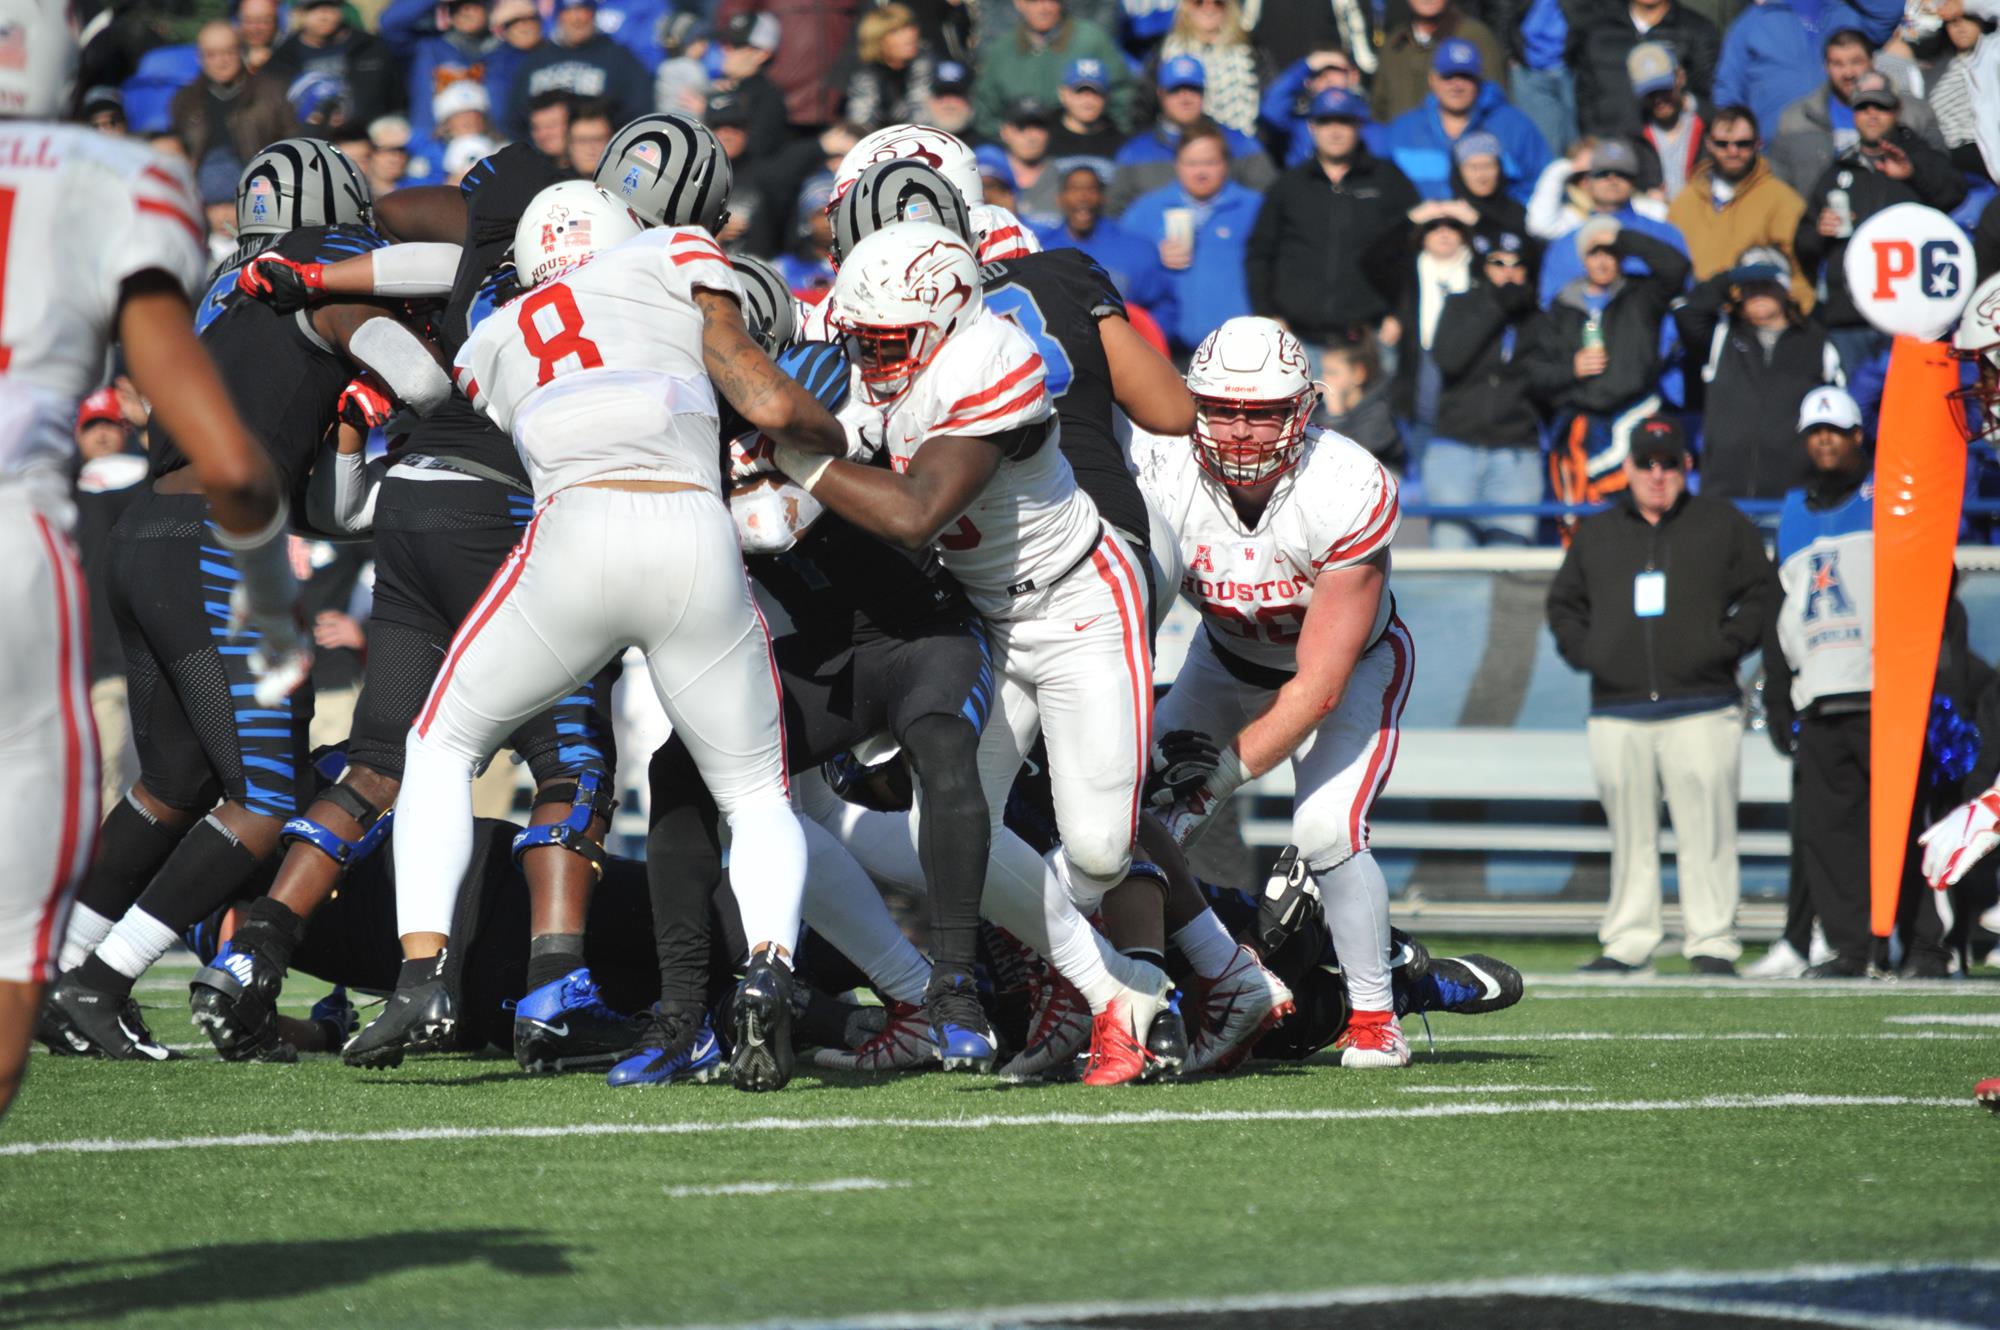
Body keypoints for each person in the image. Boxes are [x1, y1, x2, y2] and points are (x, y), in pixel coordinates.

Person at [346, 179, 847, 1091]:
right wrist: (826, 434)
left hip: (571, 541)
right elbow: (752, 382)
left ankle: (423, 975)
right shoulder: (673, 251)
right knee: (754, 795)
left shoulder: (495, 337)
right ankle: (768, 972)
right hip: (691, 534)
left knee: (440, 744)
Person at [196, 141, 634, 1071]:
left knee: (381, 760)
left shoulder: (477, 264)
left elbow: (338, 508)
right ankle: (557, 993)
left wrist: (322, 289)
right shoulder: (621, 264)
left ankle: (255, 952)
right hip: (504, 501)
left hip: (414, 494)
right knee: (571, 753)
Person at [46, 140, 451, 1066]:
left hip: (144, 536)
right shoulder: (318, 285)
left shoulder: (223, 298)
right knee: (265, 795)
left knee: (170, 785)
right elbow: (422, 378)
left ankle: (62, 975)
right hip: (215, 546)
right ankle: (99, 982)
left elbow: (319, 501)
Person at [764, 220, 1177, 1085]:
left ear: (949, 318)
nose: (870, 358)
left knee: (1100, 850)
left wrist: (794, 463)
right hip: (987, 616)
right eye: (860, 339)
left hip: (1078, 605)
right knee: (949, 837)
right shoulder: (895, 344)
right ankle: (1111, 986)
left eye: (888, 342)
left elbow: (916, 510)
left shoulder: (993, 358)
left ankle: (1108, 980)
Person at [0, 3, 305, 1118]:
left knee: (164, 781)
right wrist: (272, 609)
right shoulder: (110, 175)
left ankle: (82, 976)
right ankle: (88, 977)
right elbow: (226, 458)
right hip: (23, 540)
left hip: (96, 540)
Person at [1137, 316, 1416, 1068]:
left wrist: (1220, 776)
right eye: (1223, 408)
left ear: (1303, 409)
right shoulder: (1159, 469)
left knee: (1327, 827)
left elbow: (1319, 688)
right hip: (1222, 658)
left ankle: (1375, 1015)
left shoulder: (1345, 483)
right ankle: (1140, 1000)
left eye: (1261, 412)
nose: (1240, 431)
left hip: (1352, 668)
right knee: (1130, 826)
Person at [1546, 417, 1771, 978]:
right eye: (1645, 462)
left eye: (1668, 462)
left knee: (1709, 831)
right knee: (1630, 835)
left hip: (1703, 704)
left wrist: (1726, 647)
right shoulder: (1598, 533)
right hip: (1618, 708)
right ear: (1626, 468)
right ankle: (1628, 941)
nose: (1656, 474)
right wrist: (1593, 653)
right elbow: (1563, 605)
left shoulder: (1721, 523)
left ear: (1685, 467)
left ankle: (1713, 940)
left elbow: (1765, 592)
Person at [1760, 387, 1880, 978]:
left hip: (1883, 690)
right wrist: (1778, 692)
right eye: (1815, 431)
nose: (1825, 439)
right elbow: (1780, 609)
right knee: (1828, 839)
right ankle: (1852, 947)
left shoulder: (1887, 496)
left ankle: (1919, 944)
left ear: (1859, 435)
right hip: (1822, 694)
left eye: (1836, 429)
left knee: (1897, 827)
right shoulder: (1792, 510)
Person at [1791, 70, 1967, 393]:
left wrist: (1914, 173)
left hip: (1910, 320)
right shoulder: (1838, 170)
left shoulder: (1918, 155)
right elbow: (1802, 245)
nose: (1871, 115)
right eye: (1863, 107)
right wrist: (1820, 231)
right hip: (1850, 318)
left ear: (1896, 110)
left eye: (1880, 107)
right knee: (1858, 414)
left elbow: (1954, 194)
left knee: (1910, 405)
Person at [1247, 90, 1419, 367]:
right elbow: (1260, 253)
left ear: (1359, 126)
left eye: (1344, 121)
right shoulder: (1290, 185)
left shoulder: (1389, 182)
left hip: (1370, 340)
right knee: (1302, 413)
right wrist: (1268, 315)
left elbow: (1411, 253)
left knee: (1373, 412)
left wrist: (1400, 316)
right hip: (1297, 341)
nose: (1335, 131)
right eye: (1326, 121)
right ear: (1312, 127)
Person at [1532, 216, 1692, 498]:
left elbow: (1677, 267)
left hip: (1634, 416)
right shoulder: (1562, 307)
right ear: (1583, 259)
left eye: (1611, 253)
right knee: (1582, 516)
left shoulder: (1642, 294)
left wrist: (1623, 238)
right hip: (1580, 424)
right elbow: (1535, 373)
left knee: (1636, 510)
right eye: (1595, 253)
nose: (1603, 262)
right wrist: (1572, 369)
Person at [1672, 246, 1842, 500]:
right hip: (1725, 493)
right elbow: (1686, 311)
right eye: (1749, 286)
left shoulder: (1817, 344)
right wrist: (1730, 276)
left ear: (1785, 289)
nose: (1758, 293)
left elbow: (1839, 415)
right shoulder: (1722, 336)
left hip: (1794, 493)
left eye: (1767, 283)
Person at [1423, 228, 1551, 545]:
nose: (1507, 272)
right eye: (1498, 262)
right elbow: (1449, 358)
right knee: (1451, 557)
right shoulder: (1460, 305)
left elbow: (1548, 382)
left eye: (1517, 264)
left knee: (1509, 565)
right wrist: (1496, 307)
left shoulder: (1540, 320)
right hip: (1455, 448)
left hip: (1516, 453)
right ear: (1484, 267)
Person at [71, 390, 149, 821]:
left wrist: (146, 425)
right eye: (90, 426)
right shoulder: (66, 493)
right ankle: (105, 883)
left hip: (153, 658)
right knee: (103, 774)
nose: (100, 435)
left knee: (166, 782)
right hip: (94, 667)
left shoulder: (148, 481)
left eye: (108, 424)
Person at [1121, 123, 1265, 354]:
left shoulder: (1253, 207)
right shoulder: (1145, 210)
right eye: (1191, 163)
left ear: (1226, 163)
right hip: (1166, 348)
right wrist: (1152, 257)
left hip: (1238, 349)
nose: (1200, 172)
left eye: (1210, 162)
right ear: (1177, 164)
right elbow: (1122, 271)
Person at [1666, 106, 1813, 311]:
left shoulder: (1783, 200)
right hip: (1696, 316)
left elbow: (1799, 273)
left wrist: (1796, 315)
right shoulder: (1684, 201)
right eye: (1722, 144)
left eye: (1743, 144)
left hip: (1752, 316)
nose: (1732, 151)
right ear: (1708, 143)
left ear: (1757, 144)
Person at [1767, 29, 1946, 195]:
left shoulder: (1915, 114)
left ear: (1873, 62)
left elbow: (1942, 174)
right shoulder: (1796, 119)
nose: (1848, 73)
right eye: (1837, 64)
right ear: (1825, 67)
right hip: (1823, 221)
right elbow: (1780, 189)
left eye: (1856, 62)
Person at [1383, 37, 1550, 204]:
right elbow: (1385, 191)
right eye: (1448, 76)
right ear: (1432, 79)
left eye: (1465, 77)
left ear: (1479, 81)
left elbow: (1542, 187)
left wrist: (1499, 216)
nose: (1457, 86)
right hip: (1420, 227)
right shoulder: (1404, 130)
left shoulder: (1513, 126)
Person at [1107, 56, 1273, 215]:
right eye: (1176, 90)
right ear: (1161, 94)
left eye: (1193, 90)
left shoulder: (1238, 143)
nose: (1185, 98)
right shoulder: (1136, 151)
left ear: (1204, 93)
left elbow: (1267, 197)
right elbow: (1115, 212)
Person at [1537, 138, 1691, 304]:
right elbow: (1551, 305)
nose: (1612, 179)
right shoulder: (1566, 244)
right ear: (1587, 182)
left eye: (1622, 173)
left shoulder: (1666, 234)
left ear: (1633, 181)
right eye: (1603, 173)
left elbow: (1683, 293)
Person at [973, 0, 1133, 137]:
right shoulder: (1001, 50)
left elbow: (1123, 95)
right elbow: (985, 107)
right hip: (1021, 148)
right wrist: (1007, 136)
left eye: (1052, 0)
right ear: (1019, 3)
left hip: (1081, 142)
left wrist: (1105, 133)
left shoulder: (1092, 40)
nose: (1044, 8)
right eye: (1034, 1)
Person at [1030, 164, 1172, 314]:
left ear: (1103, 198)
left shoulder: (1138, 249)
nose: (1083, 196)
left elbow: (1162, 306)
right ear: (1059, 198)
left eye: (1091, 189)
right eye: (1074, 189)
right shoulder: (1041, 249)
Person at [1568, 0, 1719, 138]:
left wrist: (1685, 102)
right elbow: (1585, 95)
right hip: (1611, 147)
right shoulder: (1596, 30)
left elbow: (1710, 98)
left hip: (1670, 146)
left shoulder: (1697, 30)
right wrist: (1592, 139)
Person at [503, 0, 650, 139]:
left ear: (593, 13)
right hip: (542, 157)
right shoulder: (536, 61)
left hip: (598, 152)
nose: (576, 19)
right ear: (558, 16)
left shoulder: (619, 59)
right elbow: (515, 117)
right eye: (568, 11)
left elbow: (637, 112)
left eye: (582, 10)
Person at [169, 20, 299, 172]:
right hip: (200, 185)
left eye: (228, 52)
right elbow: (177, 144)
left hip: (259, 181)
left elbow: (294, 141)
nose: (221, 61)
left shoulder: (273, 92)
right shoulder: (185, 99)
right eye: (211, 54)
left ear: (241, 51)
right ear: (200, 57)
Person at [714, 0, 861, 129]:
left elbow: (867, 22)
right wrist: (732, 75)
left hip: (842, 99)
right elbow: (733, 23)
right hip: (782, 100)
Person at [265, 0, 402, 132]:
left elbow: (397, 100)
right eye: (313, 8)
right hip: (306, 141)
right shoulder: (281, 58)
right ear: (300, 13)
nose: (323, 15)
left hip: (364, 139)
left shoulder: (371, 49)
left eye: (330, 6)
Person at [1145, 0, 1267, 139]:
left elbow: (1269, 102)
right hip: (1178, 147)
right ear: (1185, 6)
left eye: (1218, 2)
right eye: (1199, 2)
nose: (1209, 7)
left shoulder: (1251, 49)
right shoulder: (1165, 51)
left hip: (1240, 146)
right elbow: (1144, 106)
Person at [1373, 0, 1508, 124]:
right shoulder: (1395, 44)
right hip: (1401, 146)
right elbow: (1379, 108)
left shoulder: (1475, 37)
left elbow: (1496, 104)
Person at [1260, 46, 1388, 169]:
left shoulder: (1369, 122)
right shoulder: (1299, 124)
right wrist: (1307, 65)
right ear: (1308, 82)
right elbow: (1270, 109)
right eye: (1317, 72)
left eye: (1335, 69)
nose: (1327, 77)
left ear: (1354, 76)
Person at [403, 0, 499, 141]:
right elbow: (390, 24)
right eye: (456, 7)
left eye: (474, 5)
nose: (466, 11)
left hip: (492, 143)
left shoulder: (504, 52)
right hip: (434, 143)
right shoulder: (427, 47)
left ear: (488, 9)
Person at [1627, 42, 1704, 200]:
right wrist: (1642, 195)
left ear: (1680, 78)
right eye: (1650, 93)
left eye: (1664, 89)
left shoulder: (1708, 125)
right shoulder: (1633, 136)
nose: (1659, 100)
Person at [845, 3, 934, 131]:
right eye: (896, 31)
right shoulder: (864, 75)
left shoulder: (929, 66)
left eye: (910, 27)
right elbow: (859, 124)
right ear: (878, 39)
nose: (909, 35)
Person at [1049, 58, 1125, 162]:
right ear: (1063, 94)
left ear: (1108, 96)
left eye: (1096, 92)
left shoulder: (1121, 144)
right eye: (1079, 91)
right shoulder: (1045, 138)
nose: (1088, 100)